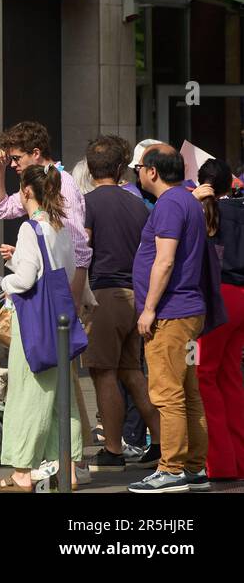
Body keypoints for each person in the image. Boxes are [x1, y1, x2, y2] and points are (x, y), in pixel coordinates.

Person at [0, 165, 85, 492]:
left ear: (27, 191)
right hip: (60, 325)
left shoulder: (30, 229)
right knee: (61, 402)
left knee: (26, 398)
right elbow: (65, 272)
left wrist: (5, 280)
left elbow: (27, 279)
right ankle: (67, 471)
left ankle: (22, 473)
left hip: (34, 328)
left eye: (18, 189)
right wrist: (20, 263)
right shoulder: (60, 227)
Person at [127, 144, 217, 493]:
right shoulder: (187, 200)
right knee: (187, 390)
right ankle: (193, 467)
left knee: (167, 393)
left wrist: (149, 309)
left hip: (171, 314)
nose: (136, 174)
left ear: (152, 171)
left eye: (139, 168)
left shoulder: (168, 204)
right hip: (189, 312)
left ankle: (171, 469)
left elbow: (163, 261)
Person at [81, 135, 160, 470]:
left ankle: (113, 448)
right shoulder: (138, 204)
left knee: (104, 373)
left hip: (105, 294)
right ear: (119, 167)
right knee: (131, 372)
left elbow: (84, 248)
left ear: (89, 167)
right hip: (136, 296)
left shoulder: (87, 204)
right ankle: (159, 441)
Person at [0, 121, 93, 306]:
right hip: (50, 293)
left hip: (59, 294)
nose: (13, 164)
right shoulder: (37, 182)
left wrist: (74, 303)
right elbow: (0, 209)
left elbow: (79, 248)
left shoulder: (63, 184)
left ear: (36, 153)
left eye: (16, 158)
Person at [191, 159, 244, 480]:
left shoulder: (201, 211)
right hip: (241, 297)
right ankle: (237, 458)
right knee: (230, 376)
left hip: (216, 296)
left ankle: (219, 462)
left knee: (204, 376)